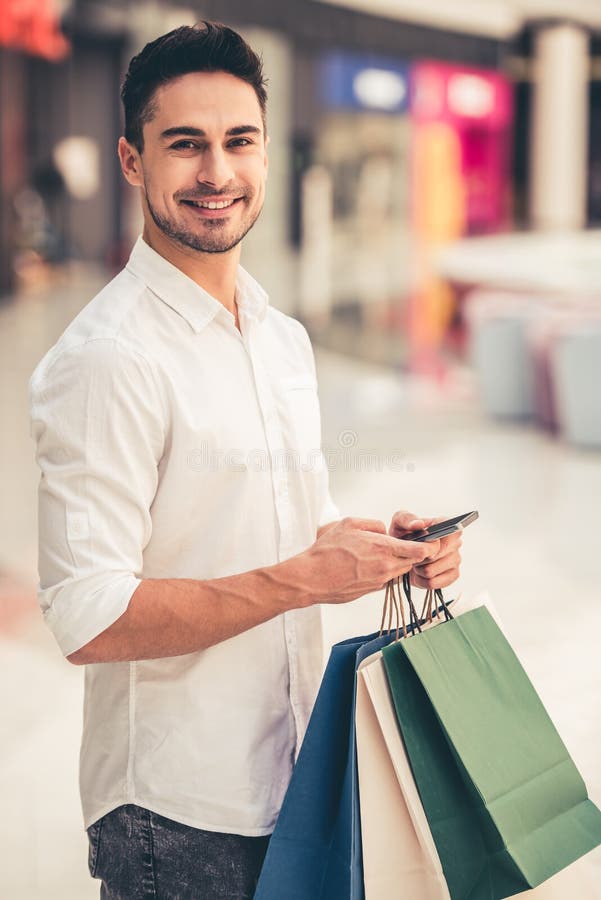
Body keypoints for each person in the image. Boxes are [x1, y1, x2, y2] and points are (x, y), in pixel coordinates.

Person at [29, 21, 462, 900]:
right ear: (131, 161)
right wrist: (306, 578)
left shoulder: (277, 336)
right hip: (177, 815)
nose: (216, 173)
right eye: (184, 144)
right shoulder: (109, 358)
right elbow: (89, 617)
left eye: (239, 142)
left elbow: (280, 525)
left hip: (296, 771)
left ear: (266, 154)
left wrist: (385, 546)